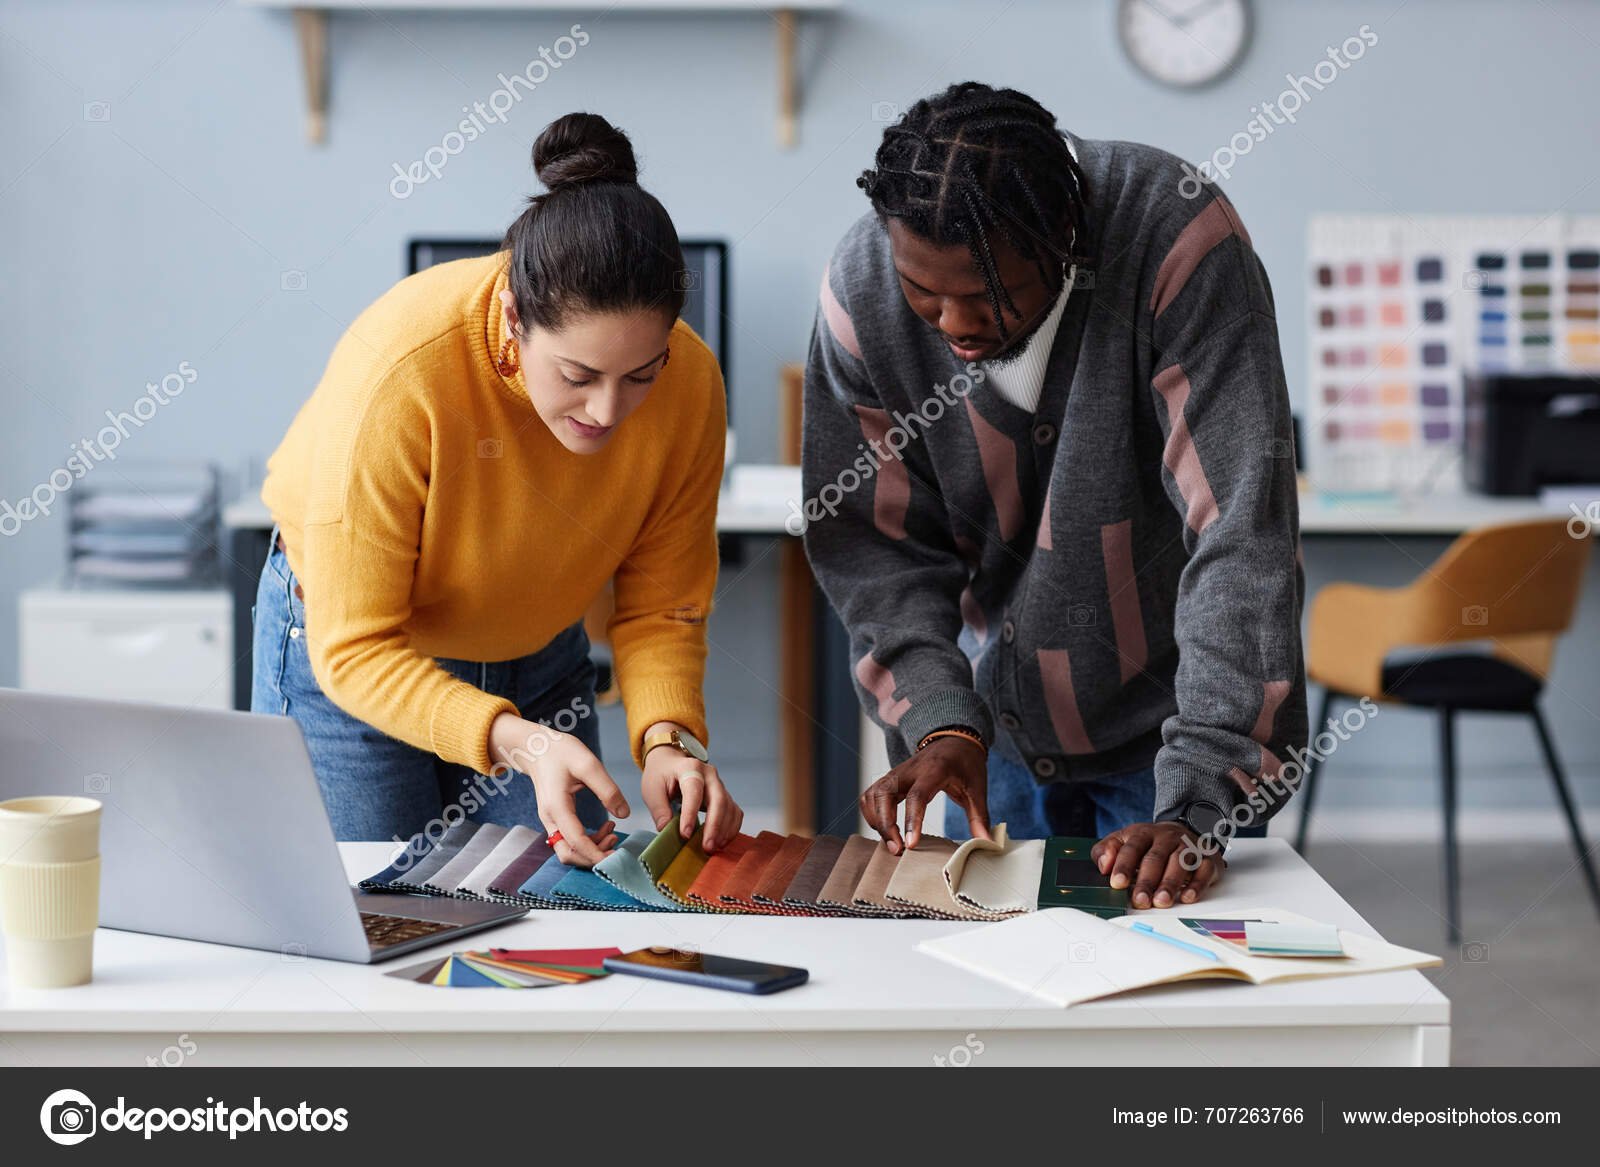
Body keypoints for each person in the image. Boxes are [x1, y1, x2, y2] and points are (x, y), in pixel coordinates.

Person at [803, 82, 1307, 909]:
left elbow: (1240, 528)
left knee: (1169, 1016)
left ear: (1065, 239)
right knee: (1014, 1008)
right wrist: (942, 719)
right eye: (925, 292)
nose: (955, 323)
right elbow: (876, 551)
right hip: (995, 730)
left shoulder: (1174, 240)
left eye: (990, 292)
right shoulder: (860, 296)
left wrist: (1197, 801)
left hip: (1178, 731)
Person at [254, 112, 742, 865]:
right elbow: (355, 649)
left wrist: (669, 740)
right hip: (359, 662)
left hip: (540, 656)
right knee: (381, 909)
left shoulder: (692, 384)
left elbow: (661, 605)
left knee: (559, 906)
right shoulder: (402, 372)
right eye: (577, 376)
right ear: (514, 317)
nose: (609, 411)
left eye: (642, 375)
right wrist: (524, 743)